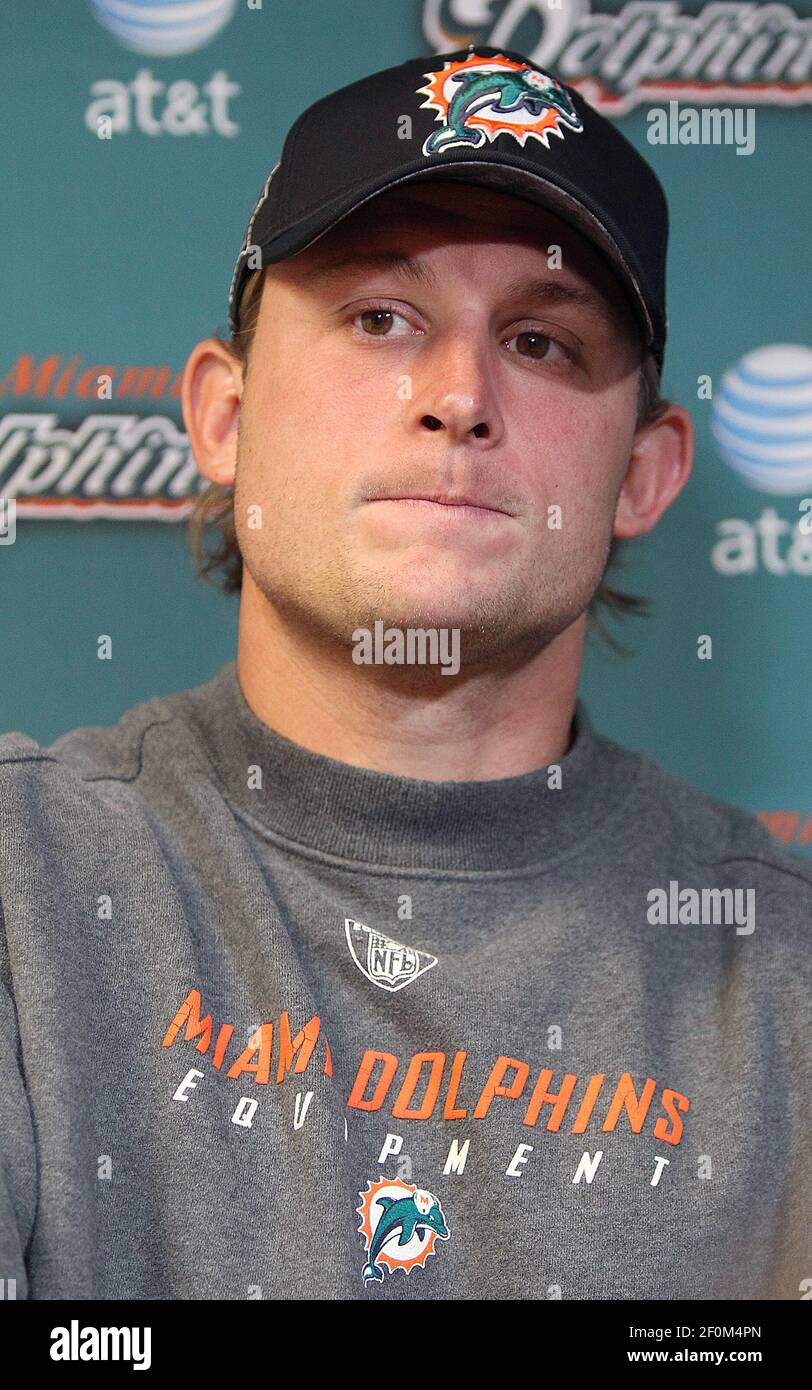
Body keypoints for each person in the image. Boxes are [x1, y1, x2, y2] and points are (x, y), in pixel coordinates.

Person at [0, 46, 809, 1302]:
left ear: (643, 474)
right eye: (381, 316)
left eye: (539, 341)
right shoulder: (22, 888)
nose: (457, 395)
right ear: (222, 415)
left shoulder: (786, 980)